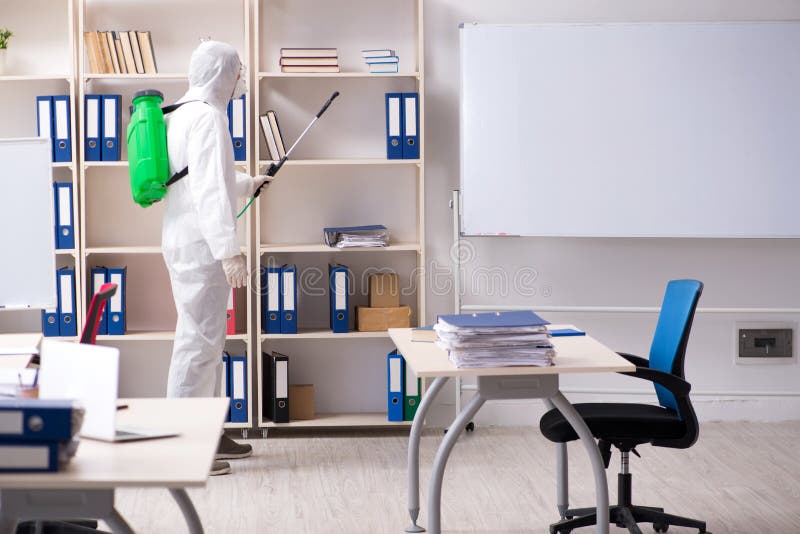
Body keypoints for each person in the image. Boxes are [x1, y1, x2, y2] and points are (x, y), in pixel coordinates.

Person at [162, 40, 265, 476]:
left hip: (190, 240)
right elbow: (205, 193)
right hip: (201, 248)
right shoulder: (206, 117)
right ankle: (183, 446)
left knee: (208, 344)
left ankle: (210, 431)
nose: (240, 77)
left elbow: (201, 179)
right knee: (196, 345)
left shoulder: (185, 112)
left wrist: (246, 183)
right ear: (221, 72)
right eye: (236, 70)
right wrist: (230, 251)